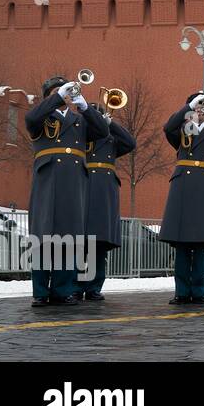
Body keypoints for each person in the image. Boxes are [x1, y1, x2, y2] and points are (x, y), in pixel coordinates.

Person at [24, 76, 108, 306]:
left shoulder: (79, 120)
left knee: (68, 238)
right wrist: (58, 96)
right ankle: (41, 291)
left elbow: (102, 131)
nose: (63, 96)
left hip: (73, 183)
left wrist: (84, 106)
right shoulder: (41, 117)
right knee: (44, 237)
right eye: (57, 93)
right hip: (48, 180)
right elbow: (30, 117)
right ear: (48, 97)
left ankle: (63, 289)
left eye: (65, 92)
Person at [160, 90, 204, 305]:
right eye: (198, 106)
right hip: (183, 186)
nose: (200, 110)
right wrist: (188, 107)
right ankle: (181, 292)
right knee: (182, 244)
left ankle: (200, 292)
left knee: (201, 245)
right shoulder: (182, 129)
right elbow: (168, 127)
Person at [77, 99, 135, 301]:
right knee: (80, 241)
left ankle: (94, 287)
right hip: (84, 184)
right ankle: (76, 285)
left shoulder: (110, 135)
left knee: (99, 243)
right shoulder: (80, 133)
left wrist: (110, 124)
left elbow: (130, 143)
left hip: (105, 190)